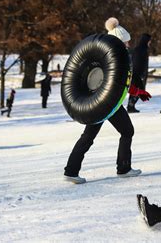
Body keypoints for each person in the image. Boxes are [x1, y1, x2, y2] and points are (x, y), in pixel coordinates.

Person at [64, 17, 151, 184]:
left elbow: (121, 84)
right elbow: (113, 83)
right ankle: (123, 168)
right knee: (125, 131)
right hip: (105, 104)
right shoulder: (112, 59)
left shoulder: (118, 58)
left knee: (91, 136)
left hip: (107, 103)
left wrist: (137, 91)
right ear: (118, 42)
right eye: (125, 42)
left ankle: (71, 170)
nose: (128, 45)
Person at [127, 33, 152, 113]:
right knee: (139, 90)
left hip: (136, 73)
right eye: (149, 40)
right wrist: (141, 75)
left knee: (136, 90)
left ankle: (130, 106)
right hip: (138, 74)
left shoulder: (139, 48)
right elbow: (137, 63)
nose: (150, 42)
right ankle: (130, 106)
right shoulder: (142, 50)